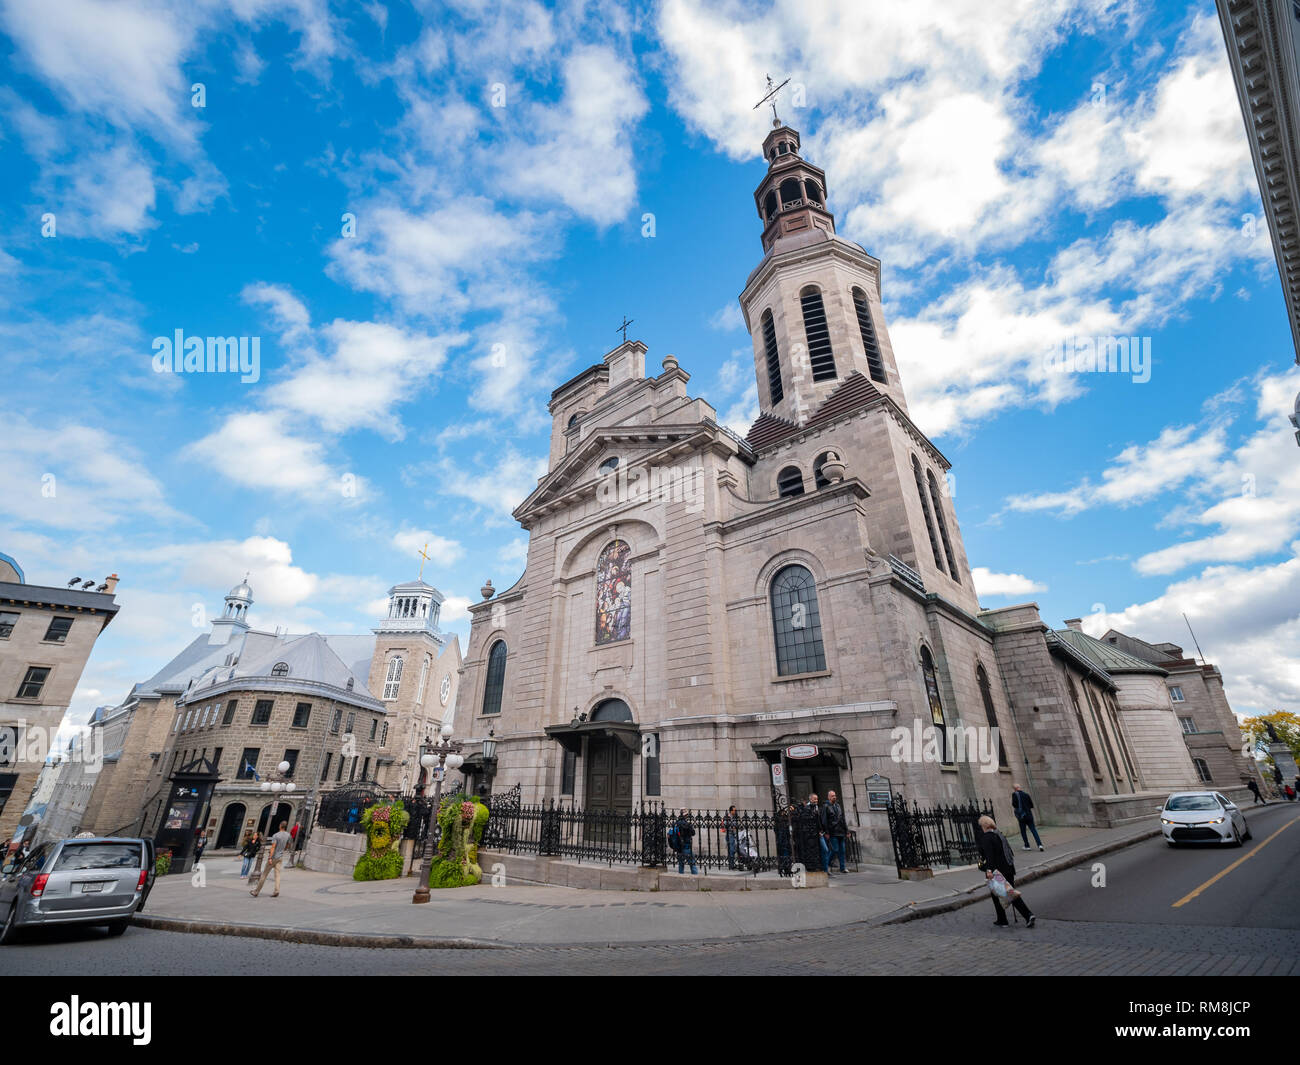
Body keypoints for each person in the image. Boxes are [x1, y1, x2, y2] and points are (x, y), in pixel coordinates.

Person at [976, 814, 1035, 927]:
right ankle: (1003, 919)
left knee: (1006, 894)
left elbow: (989, 856)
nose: (981, 828)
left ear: (984, 825)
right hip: (1008, 868)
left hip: (997, 871)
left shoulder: (987, 838)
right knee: (1004, 893)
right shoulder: (999, 835)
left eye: (981, 826)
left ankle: (1027, 915)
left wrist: (988, 870)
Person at [250, 820, 293, 898]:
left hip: (273, 857)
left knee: (264, 875)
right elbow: (288, 845)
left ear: (280, 826)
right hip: (280, 857)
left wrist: (270, 857)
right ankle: (276, 891)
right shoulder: (288, 835)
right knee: (277, 875)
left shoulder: (276, 835)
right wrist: (283, 849)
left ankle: (256, 891)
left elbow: (273, 847)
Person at [1011, 784, 1044, 851]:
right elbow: (1031, 805)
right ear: (1020, 787)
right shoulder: (1026, 794)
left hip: (1022, 816)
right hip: (1029, 815)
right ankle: (1040, 845)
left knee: (1023, 831)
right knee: (1033, 830)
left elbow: (1014, 804)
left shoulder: (1014, 794)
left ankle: (1027, 846)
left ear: (1014, 789)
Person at [823, 790, 848, 874]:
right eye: (832, 796)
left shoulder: (838, 805)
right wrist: (826, 832)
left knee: (842, 850)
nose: (834, 797)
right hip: (833, 832)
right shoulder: (826, 806)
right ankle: (827, 864)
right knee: (835, 849)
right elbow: (824, 820)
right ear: (829, 797)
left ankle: (843, 868)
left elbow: (842, 819)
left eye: (835, 795)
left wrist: (846, 830)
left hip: (841, 831)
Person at [807, 793, 832, 874]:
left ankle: (824, 869)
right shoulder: (807, 809)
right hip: (813, 835)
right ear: (810, 799)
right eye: (814, 799)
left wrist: (823, 831)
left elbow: (820, 821)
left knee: (826, 850)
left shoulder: (817, 808)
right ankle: (823, 869)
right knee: (825, 850)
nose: (816, 800)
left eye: (817, 799)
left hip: (820, 833)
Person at [674, 810, 697, 875]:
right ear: (685, 816)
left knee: (681, 865)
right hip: (686, 846)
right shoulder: (687, 824)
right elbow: (693, 833)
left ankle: (681, 878)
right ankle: (695, 877)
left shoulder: (677, 823)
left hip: (679, 847)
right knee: (692, 864)